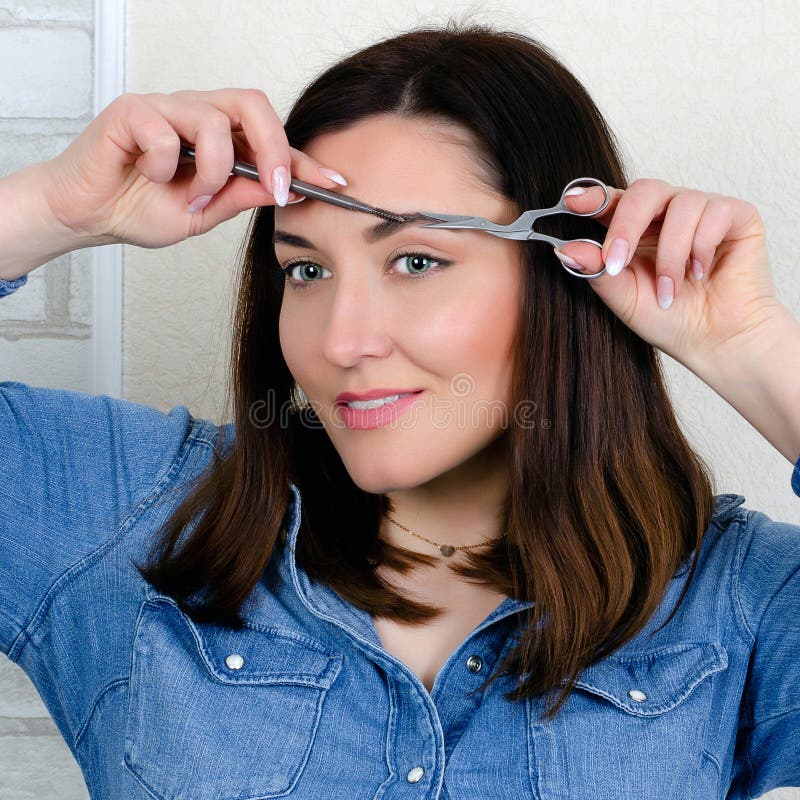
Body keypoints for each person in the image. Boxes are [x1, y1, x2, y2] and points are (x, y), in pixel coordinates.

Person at [1, 21, 798, 800]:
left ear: (565, 272)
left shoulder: (737, 600)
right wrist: (49, 211)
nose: (341, 343)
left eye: (415, 261)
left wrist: (751, 346)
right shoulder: (131, 512)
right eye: (306, 271)